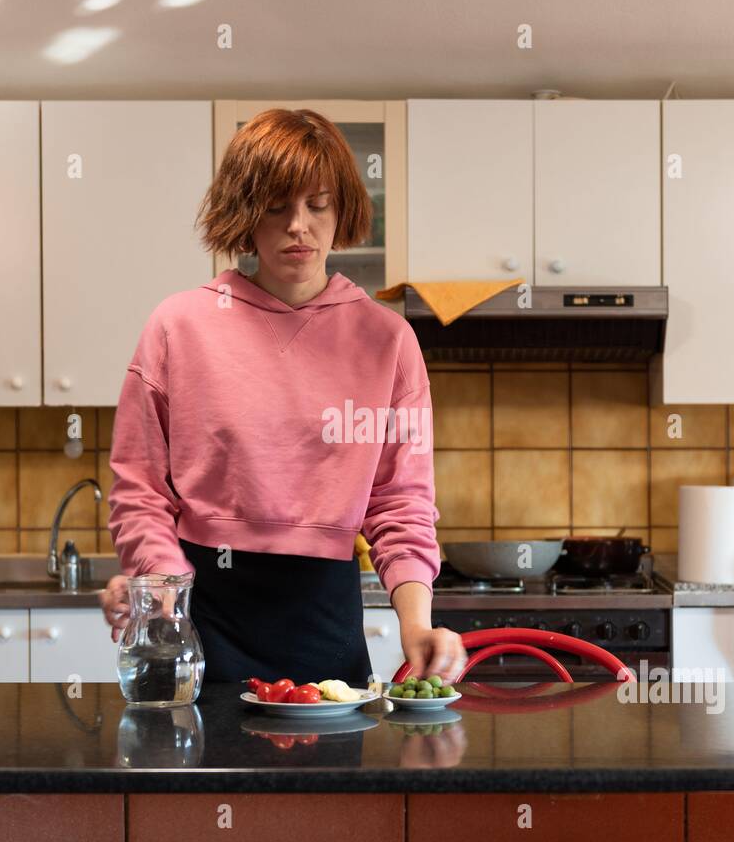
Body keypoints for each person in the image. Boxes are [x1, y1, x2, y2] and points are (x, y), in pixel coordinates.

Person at [98, 108, 466, 686]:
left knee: (327, 774)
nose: (298, 225)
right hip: (203, 614)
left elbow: (402, 503)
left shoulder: (386, 341)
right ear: (245, 213)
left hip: (325, 616)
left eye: (317, 204)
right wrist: (159, 585)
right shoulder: (179, 326)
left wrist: (416, 626)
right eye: (276, 206)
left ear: (341, 209)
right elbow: (140, 486)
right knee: (198, 775)